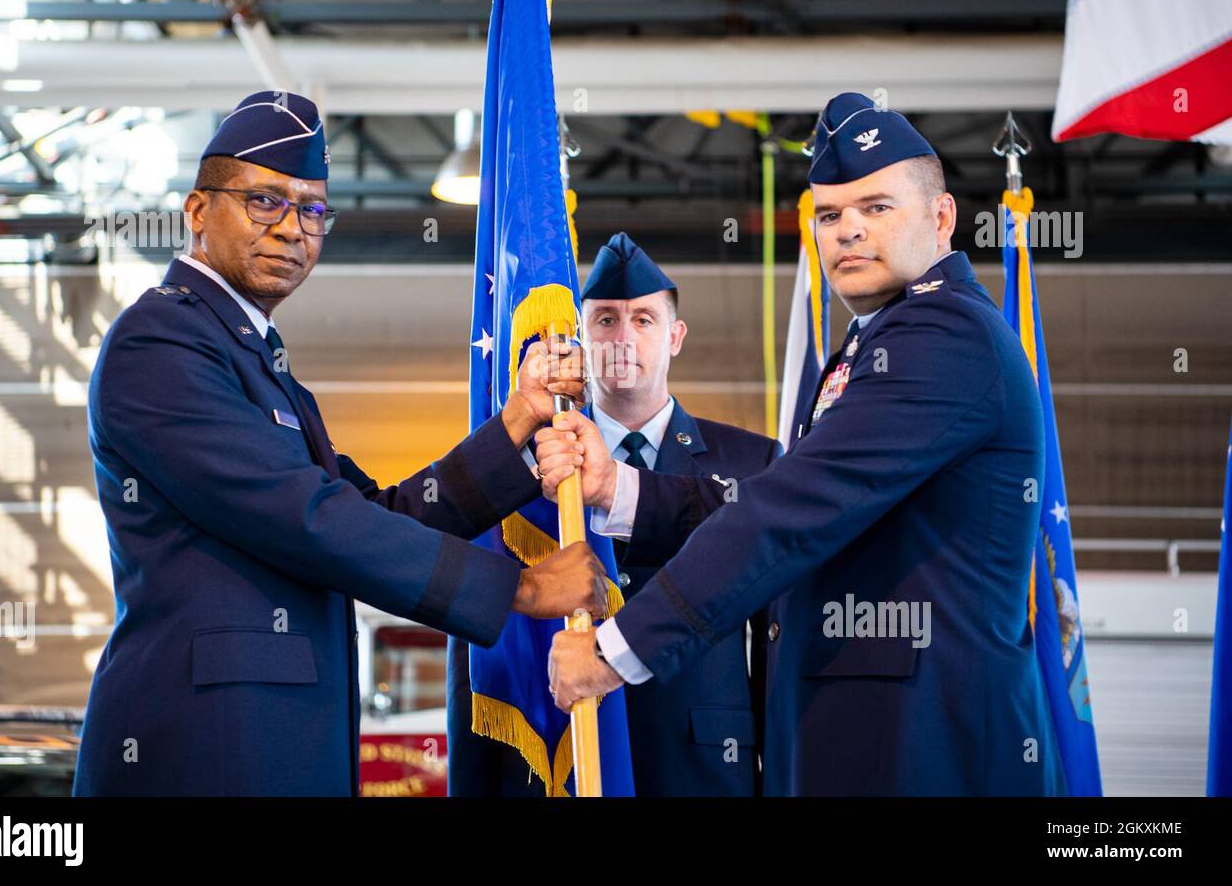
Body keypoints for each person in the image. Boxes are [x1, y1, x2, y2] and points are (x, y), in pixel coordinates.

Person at [73, 91, 605, 796]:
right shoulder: (161, 341)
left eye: (313, 209)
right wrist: (524, 585)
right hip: (207, 751)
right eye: (265, 201)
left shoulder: (260, 363)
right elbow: (307, 518)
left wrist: (514, 426)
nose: (293, 229)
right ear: (197, 212)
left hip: (277, 750)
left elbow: (375, 512)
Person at [538, 92, 1067, 796]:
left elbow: (790, 512)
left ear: (941, 219)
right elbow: (780, 498)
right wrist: (618, 490)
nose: (847, 230)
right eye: (828, 214)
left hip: (926, 754)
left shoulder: (944, 337)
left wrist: (616, 650)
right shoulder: (877, 339)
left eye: (876, 208)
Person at [447, 233, 779, 796]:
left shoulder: (750, 460)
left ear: (675, 337)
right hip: (562, 757)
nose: (623, 338)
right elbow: (478, 634)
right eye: (603, 321)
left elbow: (773, 636)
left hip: (701, 765)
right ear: (579, 338)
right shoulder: (523, 460)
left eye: (644, 320)